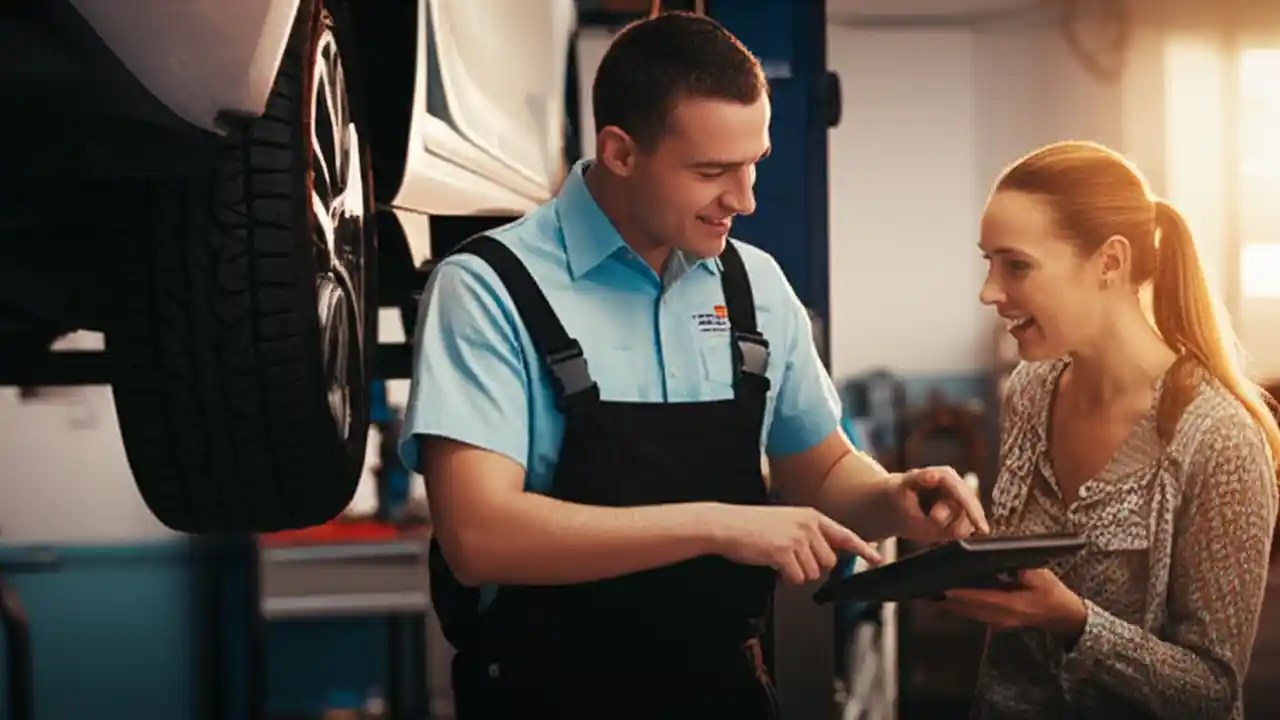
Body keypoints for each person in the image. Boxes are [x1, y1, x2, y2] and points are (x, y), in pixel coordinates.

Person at [398, 11, 988, 720]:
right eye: (711, 171)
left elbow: (820, 470)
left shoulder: (756, 286)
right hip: (545, 693)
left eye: (753, 164)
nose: (744, 199)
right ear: (619, 152)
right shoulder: (489, 288)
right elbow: (480, 537)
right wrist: (720, 525)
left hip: (723, 690)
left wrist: (896, 498)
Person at [941, 139, 1280, 719]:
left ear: (1110, 263)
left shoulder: (1219, 438)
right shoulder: (1028, 390)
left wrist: (1073, 621)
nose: (989, 291)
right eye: (988, 262)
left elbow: (1212, 690)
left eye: (1016, 265)